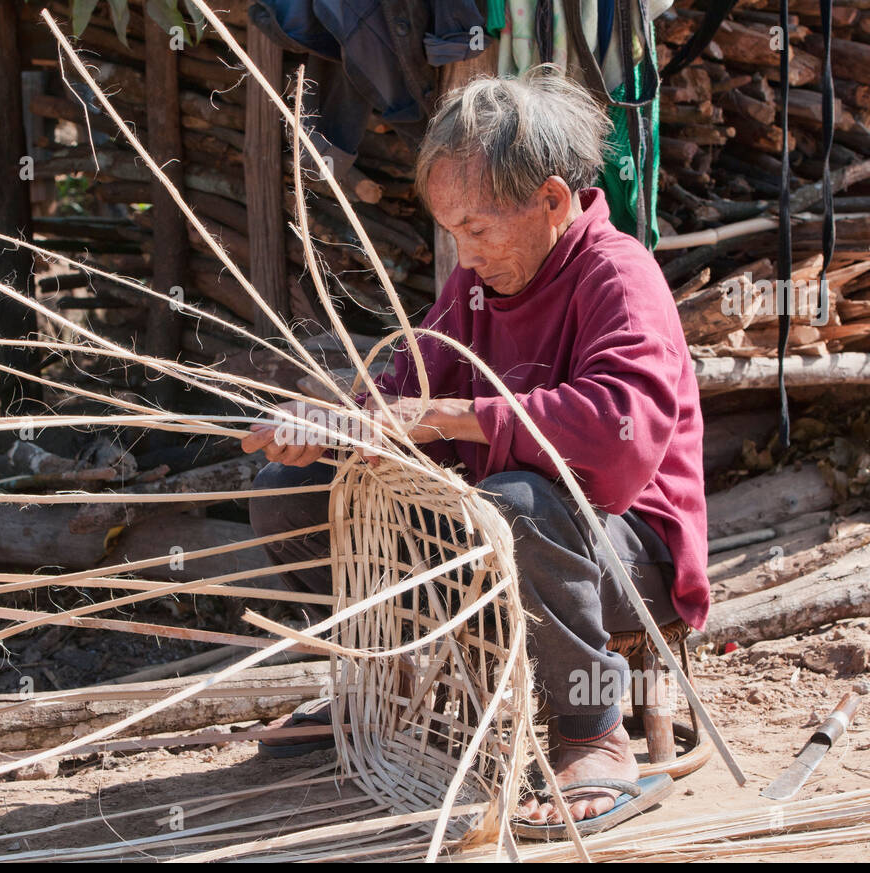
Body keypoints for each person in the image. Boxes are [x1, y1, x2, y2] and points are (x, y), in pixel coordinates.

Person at [242, 68, 709, 827]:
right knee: (291, 490)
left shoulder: (619, 277)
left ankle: (593, 729)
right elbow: (403, 395)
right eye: (453, 231)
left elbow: (616, 441)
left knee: (517, 504)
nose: (463, 255)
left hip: (624, 555)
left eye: (479, 229)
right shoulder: (477, 287)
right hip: (501, 538)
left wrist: (456, 417)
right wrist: (342, 427)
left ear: (552, 200)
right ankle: (379, 684)